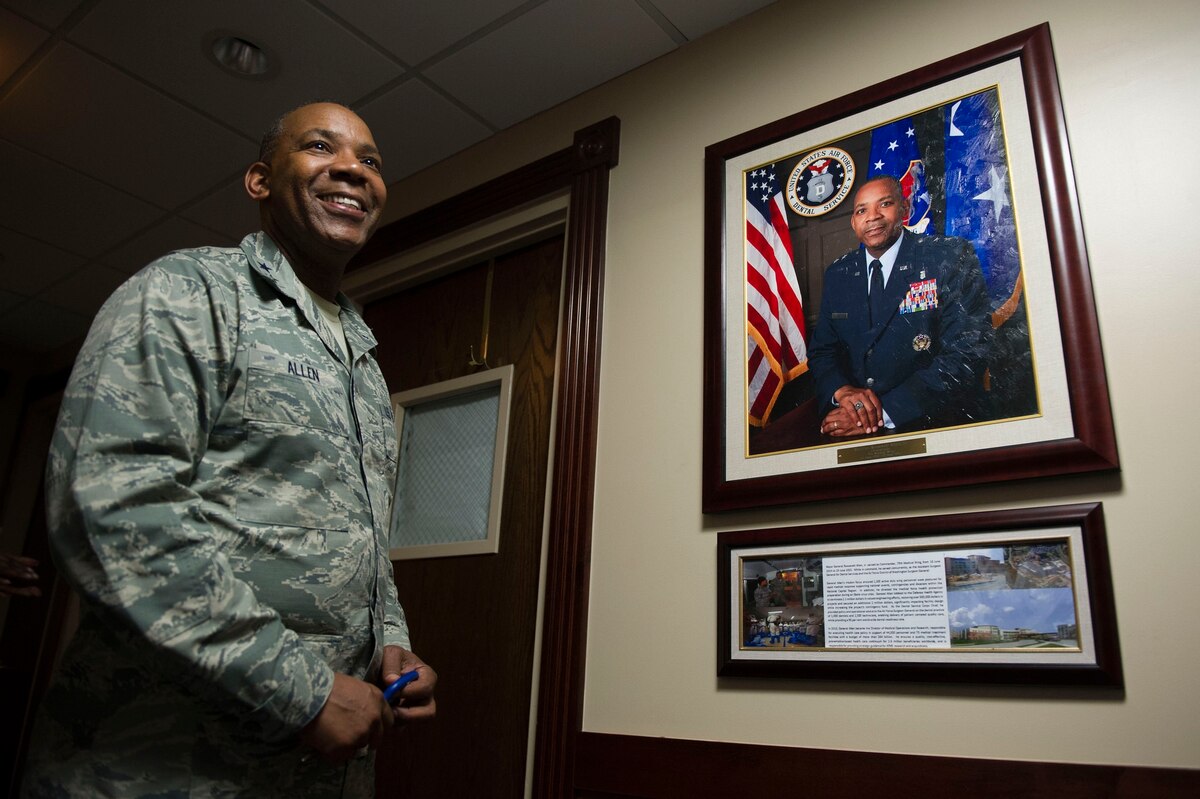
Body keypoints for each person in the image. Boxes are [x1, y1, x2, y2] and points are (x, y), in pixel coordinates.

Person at [21, 102, 436, 798]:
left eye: (370, 160)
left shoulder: (363, 362)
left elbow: (363, 538)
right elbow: (115, 510)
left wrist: (391, 640)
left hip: (315, 776)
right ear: (260, 181)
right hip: (162, 765)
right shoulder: (188, 292)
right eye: (319, 147)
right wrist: (302, 691)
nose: (353, 170)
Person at [808, 175, 991, 437]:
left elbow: (967, 353)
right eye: (862, 210)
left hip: (930, 421)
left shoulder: (948, 256)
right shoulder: (839, 273)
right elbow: (822, 352)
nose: (872, 217)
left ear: (904, 209)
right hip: (854, 418)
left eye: (884, 204)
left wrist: (881, 412)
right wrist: (843, 392)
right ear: (853, 222)